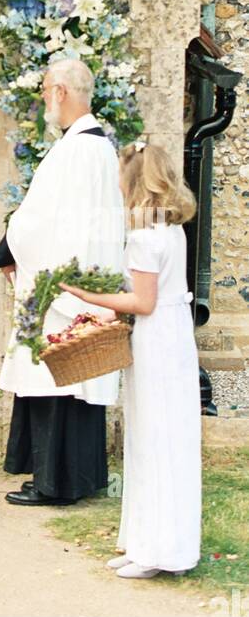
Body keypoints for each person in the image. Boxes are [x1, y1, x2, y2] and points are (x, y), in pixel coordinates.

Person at [59, 143, 200, 577]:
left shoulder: (143, 236)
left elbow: (142, 301)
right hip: (172, 334)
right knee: (160, 437)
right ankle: (147, 542)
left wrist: (86, 294)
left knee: (154, 437)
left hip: (158, 341)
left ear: (133, 181)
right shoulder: (170, 228)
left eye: (121, 174)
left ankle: (158, 550)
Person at [0, 57, 125, 505]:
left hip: (59, 288)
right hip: (78, 280)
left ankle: (53, 483)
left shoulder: (75, 151)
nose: (44, 98)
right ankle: (75, 478)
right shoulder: (98, 147)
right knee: (73, 384)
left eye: (47, 89)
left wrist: (9, 244)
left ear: (61, 93)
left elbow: (40, 222)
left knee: (56, 380)